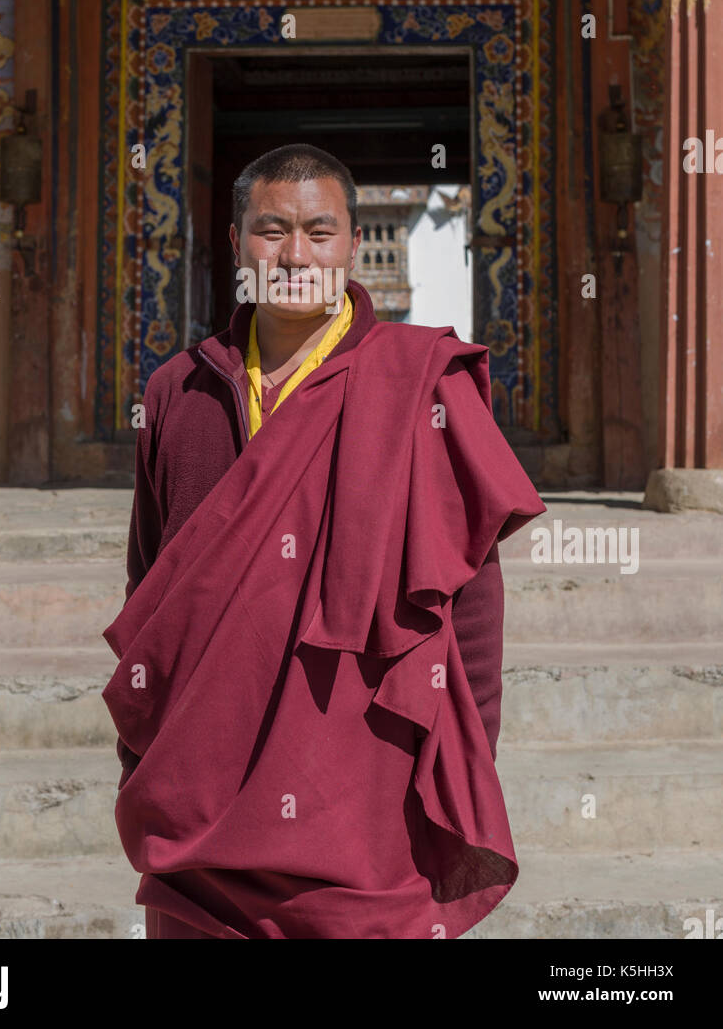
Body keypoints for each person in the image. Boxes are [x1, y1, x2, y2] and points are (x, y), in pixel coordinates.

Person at [103, 143, 545, 940]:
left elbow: (470, 594)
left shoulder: (420, 386)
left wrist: (467, 750)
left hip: (364, 792)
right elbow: (150, 589)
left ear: (350, 243)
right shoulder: (182, 391)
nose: (296, 254)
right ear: (237, 246)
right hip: (200, 797)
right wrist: (146, 755)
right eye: (272, 231)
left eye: (319, 231)